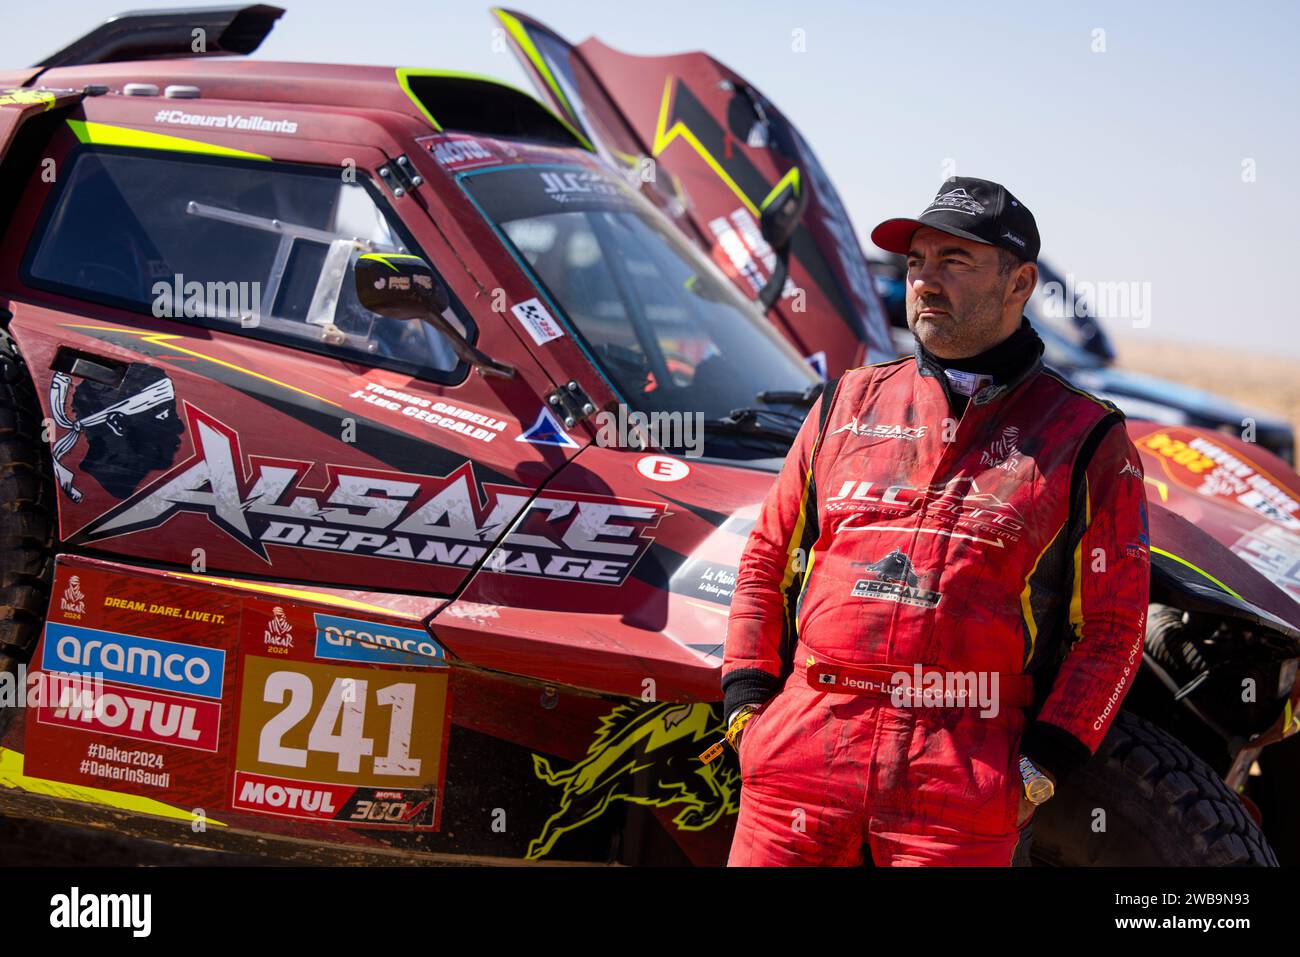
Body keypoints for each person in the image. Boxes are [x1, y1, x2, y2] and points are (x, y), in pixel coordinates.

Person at [722, 177, 1150, 866]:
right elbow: (766, 556)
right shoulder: (847, 401)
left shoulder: (1087, 436)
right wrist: (748, 709)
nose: (924, 281)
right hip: (801, 754)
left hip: (959, 775)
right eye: (917, 261)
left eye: (954, 262)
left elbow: (1114, 625)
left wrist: (1041, 767)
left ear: (1020, 283)